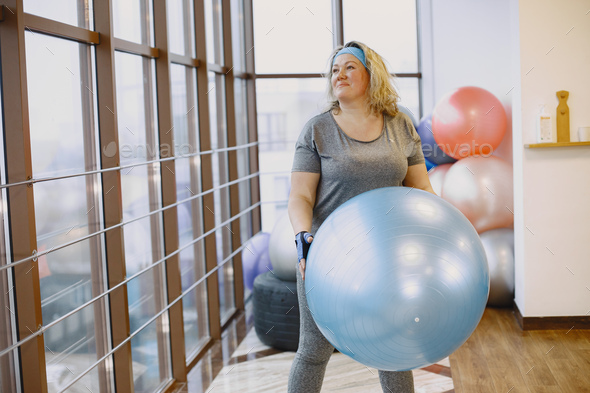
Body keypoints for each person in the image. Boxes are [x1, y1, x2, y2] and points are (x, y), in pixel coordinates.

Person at [287, 41, 436, 393]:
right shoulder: (317, 130)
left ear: (372, 74)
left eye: (349, 67)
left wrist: (440, 231)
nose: (339, 74)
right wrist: (302, 237)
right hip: (326, 255)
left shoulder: (400, 125)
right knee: (314, 349)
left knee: (393, 343)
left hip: (387, 255)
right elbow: (300, 195)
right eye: (335, 70)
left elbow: (421, 190)